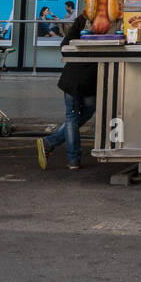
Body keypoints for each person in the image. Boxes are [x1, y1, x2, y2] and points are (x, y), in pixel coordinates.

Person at [37, 13, 96, 170]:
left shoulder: (82, 21)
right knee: (83, 113)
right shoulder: (108, 24)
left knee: (73, 117)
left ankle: (62, 150)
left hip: (72, 77)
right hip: (89, 79)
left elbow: (63, 46)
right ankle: (69, 156)